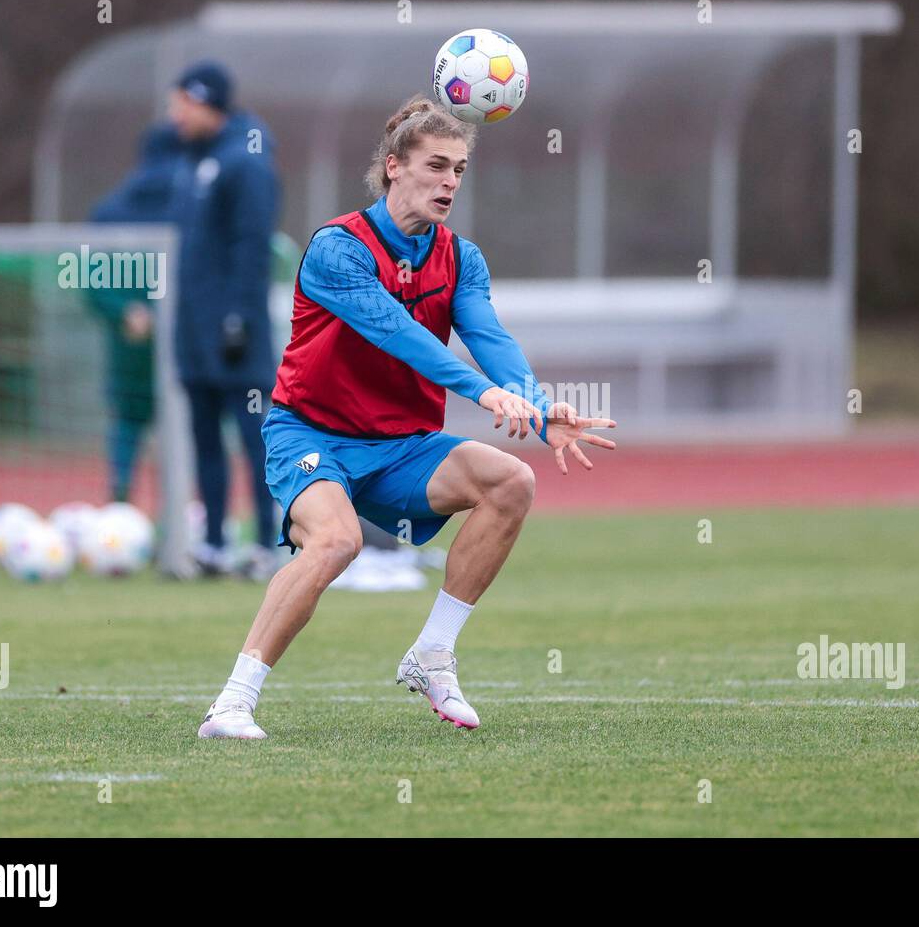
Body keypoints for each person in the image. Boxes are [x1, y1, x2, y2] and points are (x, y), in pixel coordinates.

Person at [198, 96, 615, 739]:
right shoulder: (337, 248)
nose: (449, 182)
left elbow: (489, 337)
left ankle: (432, 654)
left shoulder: (461, 257)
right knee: (338, 542)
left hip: (400, 445)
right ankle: (231, 703)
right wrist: (483, 394)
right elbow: (401, 335)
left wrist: (534, 406)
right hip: (312, 434)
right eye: (436, 166)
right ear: (394, 167)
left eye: (460, 170)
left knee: (511, 483)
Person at [167, 61, 280, 579]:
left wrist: (238, 316)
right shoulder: (194, 161)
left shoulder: (246, 161)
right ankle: (213, 541)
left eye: (182, 104)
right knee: (204, 440)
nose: (175, 116)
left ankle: (265, 543)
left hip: (236, 331)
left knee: (255, 438)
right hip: (194, 330)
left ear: (206, 101)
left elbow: (252, 246)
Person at [86, 125, 184, 502]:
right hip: (178, 339)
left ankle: (120, 505)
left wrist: (124, 311)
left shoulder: (109, 209)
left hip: (127, 342)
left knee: (127, 425)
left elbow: (90, 280)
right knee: (177, 431)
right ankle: (175, 518)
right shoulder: (189, 203)